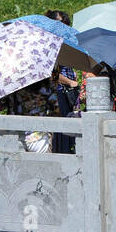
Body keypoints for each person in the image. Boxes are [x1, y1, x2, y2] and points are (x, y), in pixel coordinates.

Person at [0, 71, 62, 232]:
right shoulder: (45, 87)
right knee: (36, 183)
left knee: (6, 182)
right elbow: (56, 110)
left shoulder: (12, 86)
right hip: (38, 136)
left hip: (14, 136)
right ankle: (32, 229)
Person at [46, 9, 80, 155]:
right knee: (61, 128)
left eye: (66, 24)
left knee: (67, 128)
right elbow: (51, 73)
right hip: (58, 92)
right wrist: (70, 82)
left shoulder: (65, 43)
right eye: (61, 24)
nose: (64, 27)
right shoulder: (49, 44)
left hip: (65, 93)